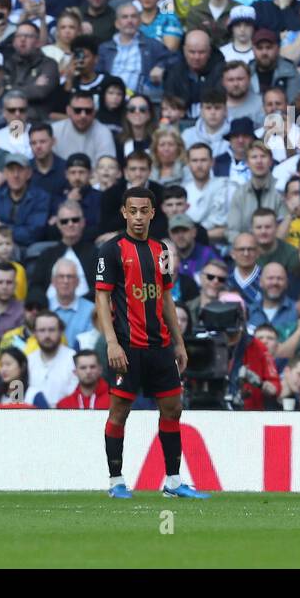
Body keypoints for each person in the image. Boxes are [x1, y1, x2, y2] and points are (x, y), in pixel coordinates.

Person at [96, 187, 206, 500]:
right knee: (119, 412)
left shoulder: (161, 250)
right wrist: (111, 342)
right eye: (133, 211)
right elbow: (102, 298)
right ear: (124, 213)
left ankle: (172, 481)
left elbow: (167, 297)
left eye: (145, 211)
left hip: (160, 347)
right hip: (127, 347)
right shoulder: (111, 250)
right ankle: (116, 480)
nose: (139, 217)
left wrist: (179, 343)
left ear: (153, 213)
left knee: (173, 409)